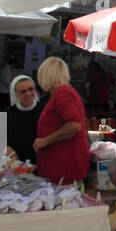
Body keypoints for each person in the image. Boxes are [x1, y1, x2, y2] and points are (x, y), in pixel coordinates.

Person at [34, 57, 90, 185]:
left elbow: (74, 126)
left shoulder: (63, 93)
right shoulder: (62, 93)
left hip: (64, 165)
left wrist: (45, 140)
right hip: (61, 163)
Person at [4, 75, 45, 162]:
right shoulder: (8, 113)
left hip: (43, 161)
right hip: (17, 164)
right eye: (23, 91)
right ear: (15, 94)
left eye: (31, 89)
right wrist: (7, 148)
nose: (28, 94)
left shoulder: (45, 110)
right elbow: (0, 139)